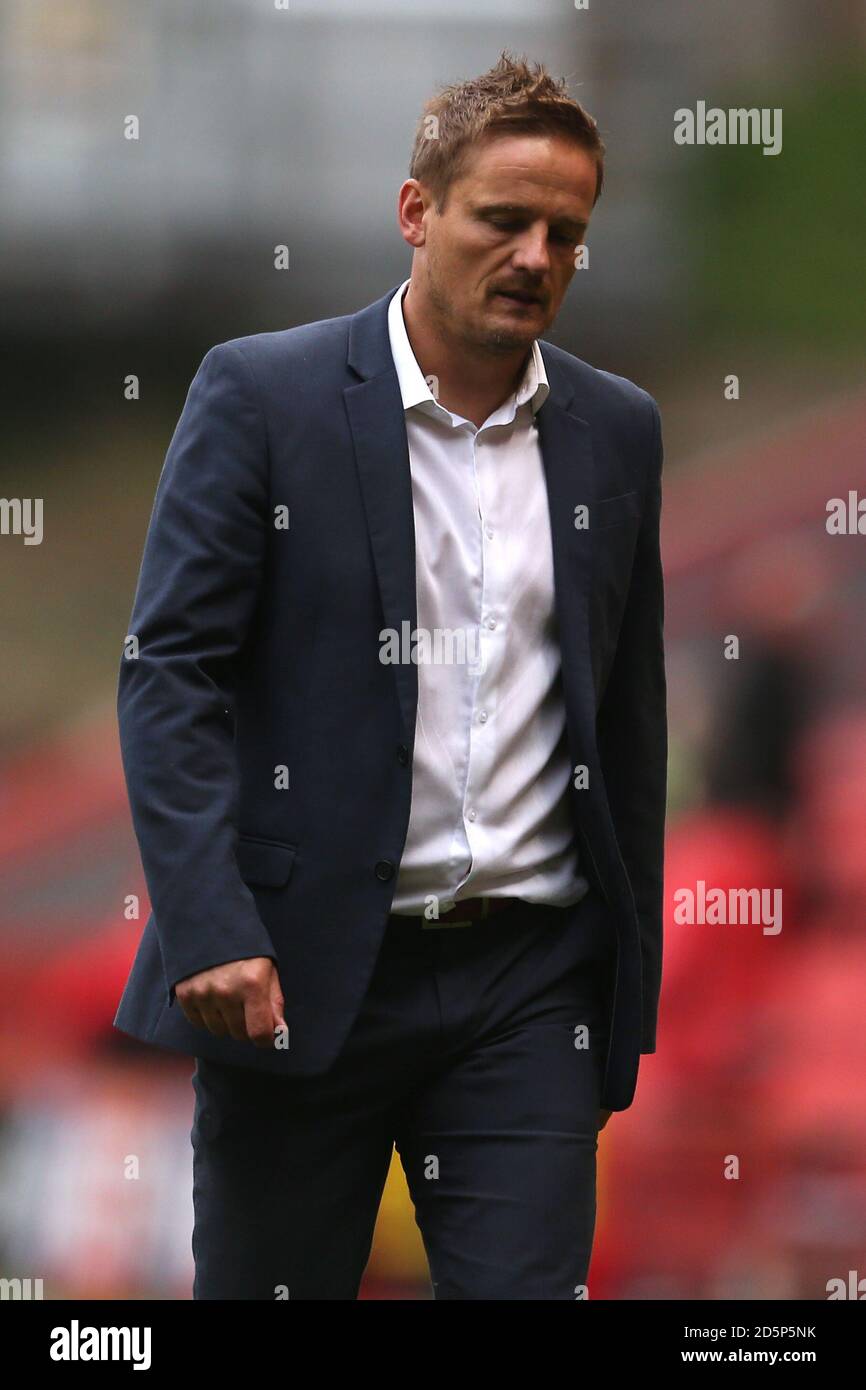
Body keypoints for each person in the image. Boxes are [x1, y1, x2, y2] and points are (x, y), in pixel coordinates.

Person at [114, 51, 667, 1300]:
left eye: (564, 234)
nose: (535, 255)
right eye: (502, 219)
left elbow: (626, 721)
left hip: (526, 984)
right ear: (416, 213)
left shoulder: (616, 428)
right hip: (296, 979)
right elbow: (170, 674)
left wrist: (620, 991)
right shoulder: (262, 394)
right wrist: (209, 921)